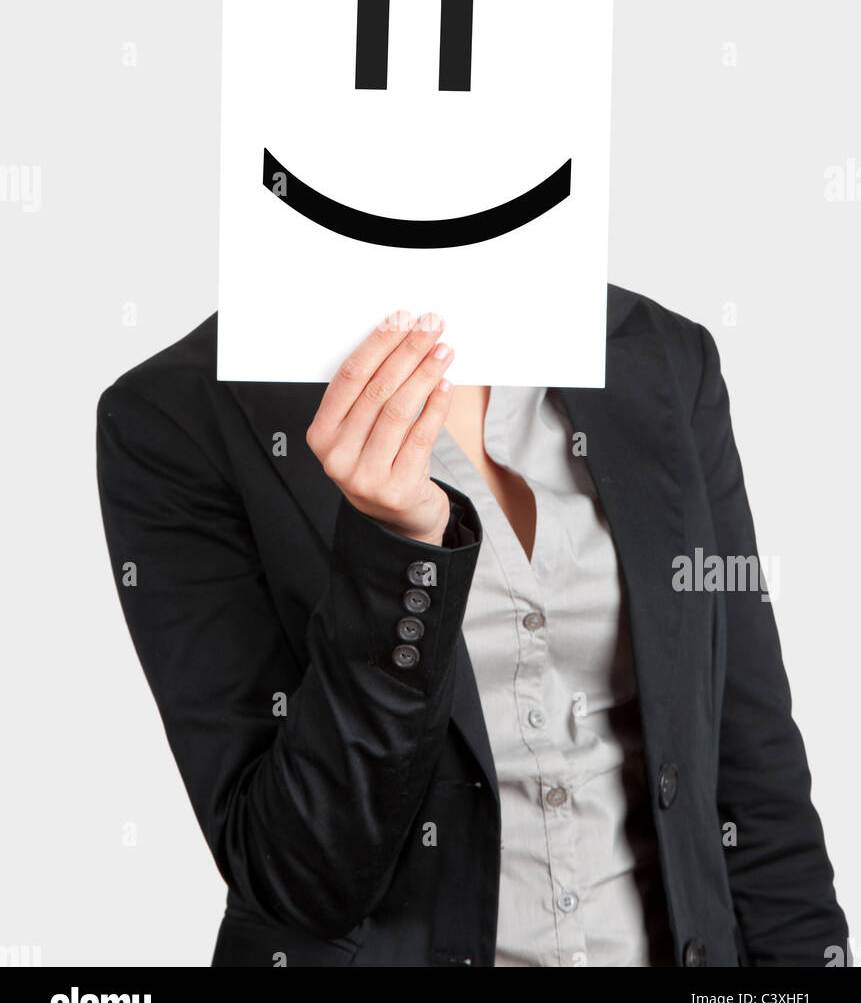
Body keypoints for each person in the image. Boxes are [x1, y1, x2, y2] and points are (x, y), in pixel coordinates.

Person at [95, 286, 847, 967]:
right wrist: (400, 558)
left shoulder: (660, 356)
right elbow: (295, 878)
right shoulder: (174, 414)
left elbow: (751, 761)